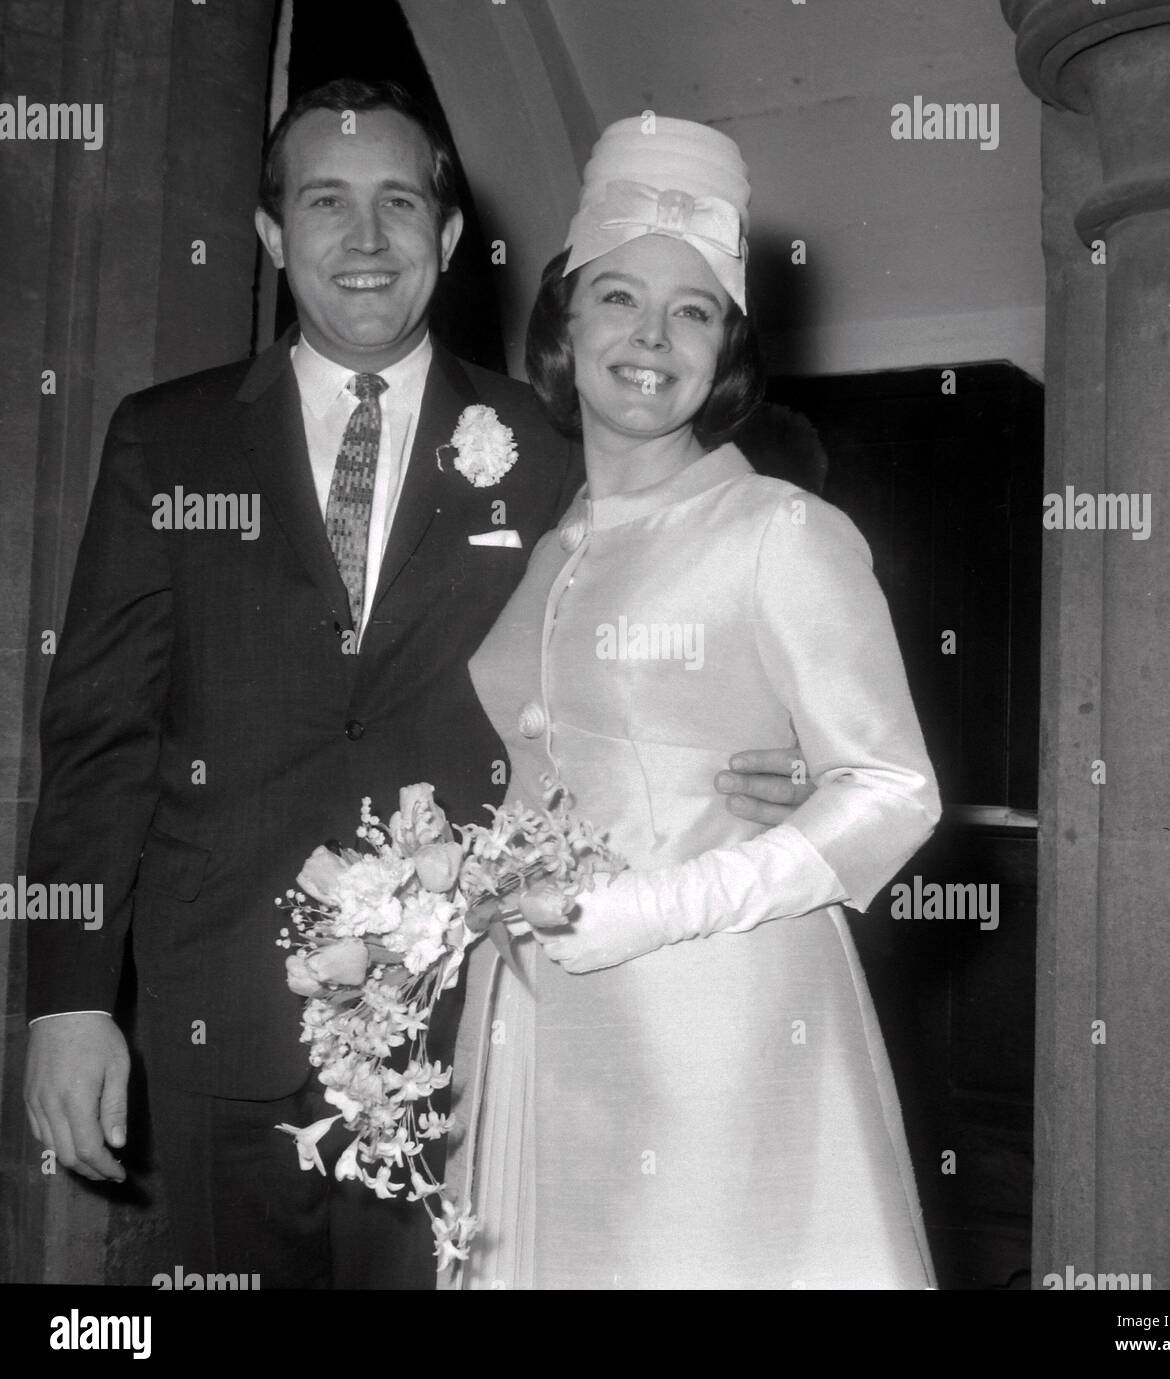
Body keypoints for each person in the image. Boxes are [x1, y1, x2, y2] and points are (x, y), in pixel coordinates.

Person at [21, 80, 798, 1290]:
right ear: (275, 237)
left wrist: (769, 751)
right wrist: (65, 1001)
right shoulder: (163, 441)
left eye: (399, 203)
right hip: (220, 1004)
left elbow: (677, 615)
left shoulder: (549, 441)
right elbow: (97, 734)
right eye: (327, 203)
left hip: (477, 1013)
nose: (366, 238)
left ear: (444, 238)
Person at [444, 117, 942, 1291]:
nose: (650, 337)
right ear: (564, 321)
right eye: (617, 296)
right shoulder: (553, 543)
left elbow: (891, 789)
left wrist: (660, 904)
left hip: (714, 1028)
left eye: (693, 309)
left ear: (727, 349)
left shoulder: (780, 530)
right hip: (537, 1020)